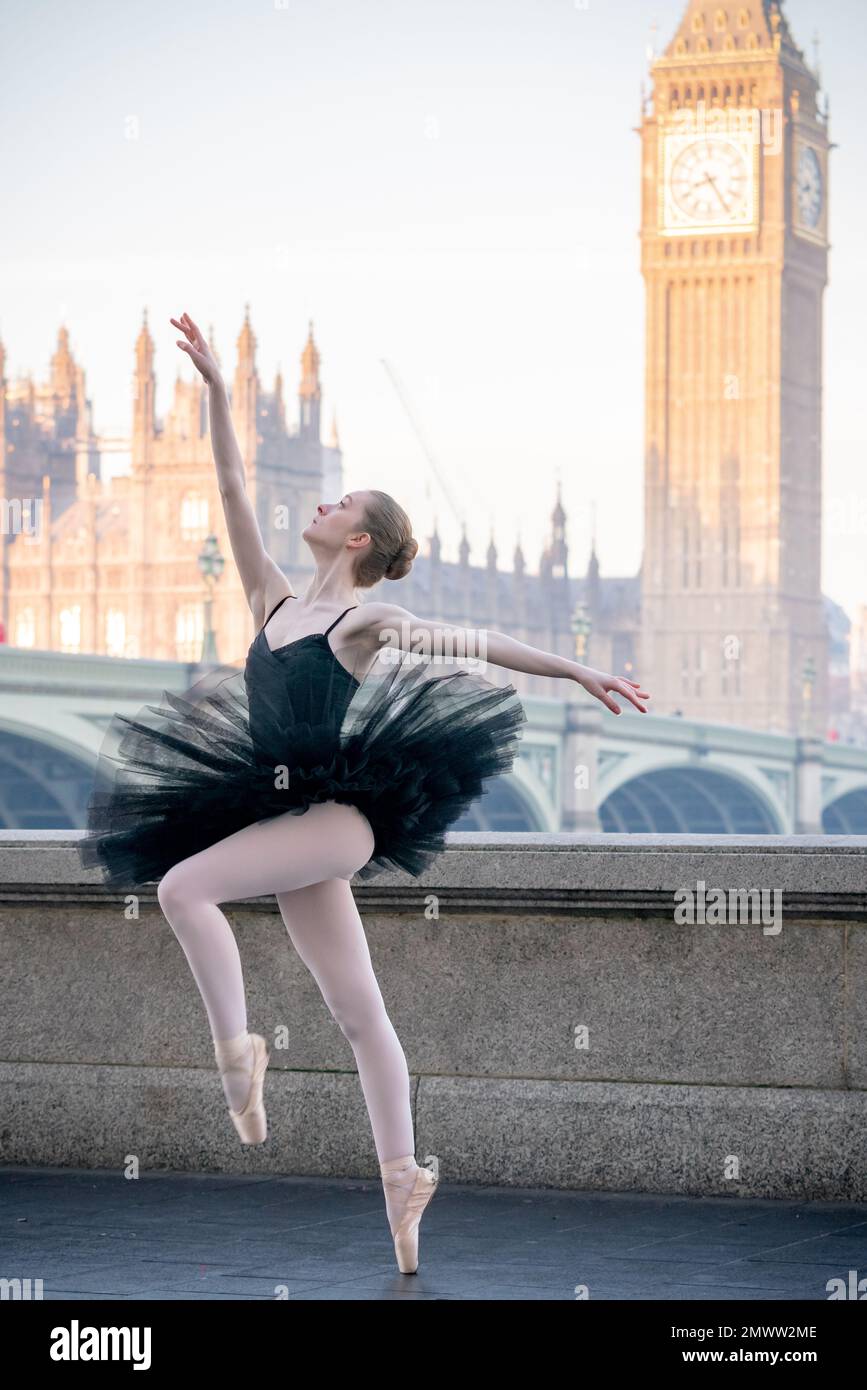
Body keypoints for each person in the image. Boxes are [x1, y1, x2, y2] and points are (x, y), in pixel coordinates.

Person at [77, 311, 650, 1275]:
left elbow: (473, 643)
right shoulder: (271, 599)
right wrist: (219, 392)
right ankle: (402, 1184)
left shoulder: (360, 617)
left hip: (336, 815)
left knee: (182, 889)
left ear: (363, 536)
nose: (322, 502)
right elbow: (228, 485)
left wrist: (576, 671)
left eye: (341, 500)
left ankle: (237, 1055)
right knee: (359, 1016)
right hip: (275, 807)